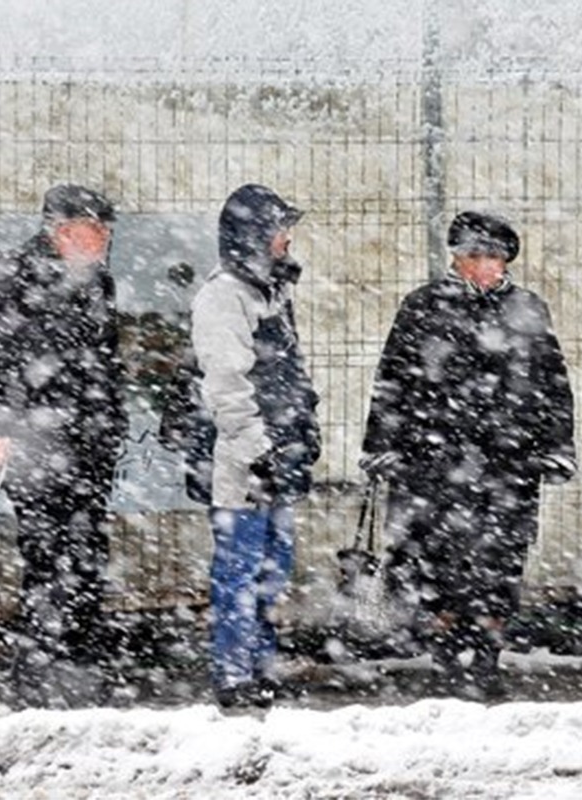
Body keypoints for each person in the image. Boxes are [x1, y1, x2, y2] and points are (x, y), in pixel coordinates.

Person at [360, 211, 576, 699]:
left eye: (495, 257)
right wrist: (381, 446)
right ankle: (449, 659)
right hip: (434, 463)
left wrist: (557, 446)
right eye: (476, 256)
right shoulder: (423, 308)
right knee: (439, 563)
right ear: (456, 259)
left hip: (509, 465)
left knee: (499, 565)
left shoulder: (526, 310)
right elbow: (391, 380)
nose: (487, 266)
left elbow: (552, 383)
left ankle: (485, 659)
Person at [0, 184, 127, 708]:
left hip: (88, 444)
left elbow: (105, 360)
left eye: (106, 230)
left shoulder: (97, 281)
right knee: (45, 552)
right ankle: (39, 670)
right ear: (62, 230)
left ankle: (80, 664)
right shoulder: (9, 276)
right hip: (31, 441)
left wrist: (111, 421)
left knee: (87, 552)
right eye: (93, 229)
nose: (102, 240)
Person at [192, 184, 320, 708]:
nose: (286, 239)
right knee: (240, 568)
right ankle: (234, 671)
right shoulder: (225, 296)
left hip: (277, 453)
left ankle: (259, 663)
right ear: (253, 237)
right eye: (278, 230)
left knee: (273, 567)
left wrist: (302, 432)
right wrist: (258, 449)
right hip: (244, 463)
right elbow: (226, 382)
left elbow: (289, 373)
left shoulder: (270, 291)